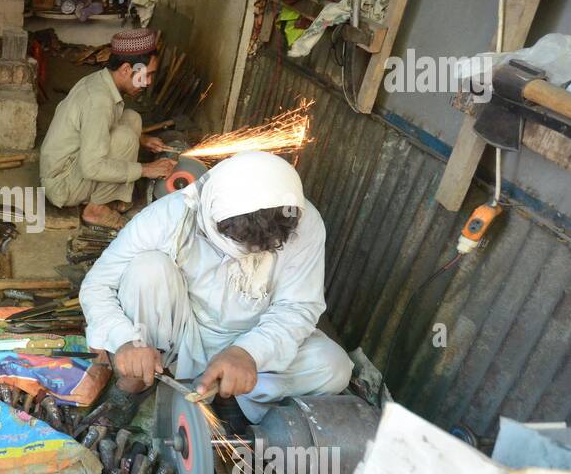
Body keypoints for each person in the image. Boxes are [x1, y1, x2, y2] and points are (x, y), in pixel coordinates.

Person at [79, 150, 353, 427]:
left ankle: (230, 393)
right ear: (213, 216)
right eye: (240, 242)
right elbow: (97, 283)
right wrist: (126, 339)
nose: (250, 253)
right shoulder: (171, 214)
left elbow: (298, 306)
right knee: (147, 268)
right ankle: (135, 382)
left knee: (333, 367)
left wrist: (249, 352)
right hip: (182, 330)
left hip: (253, 335)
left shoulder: (305, 223)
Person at [40, 27, 177, 229]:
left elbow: (106, 125)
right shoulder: (99, 101)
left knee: (132, 119)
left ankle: (111, 195)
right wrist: (146, 169)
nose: (148, 82)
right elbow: (92, 166)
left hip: (70, 164)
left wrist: (143, 139)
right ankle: (95, 210)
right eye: (146, 75)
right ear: (125, 70)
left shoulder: (101, 81)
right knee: (125, 138)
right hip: (62, 184)